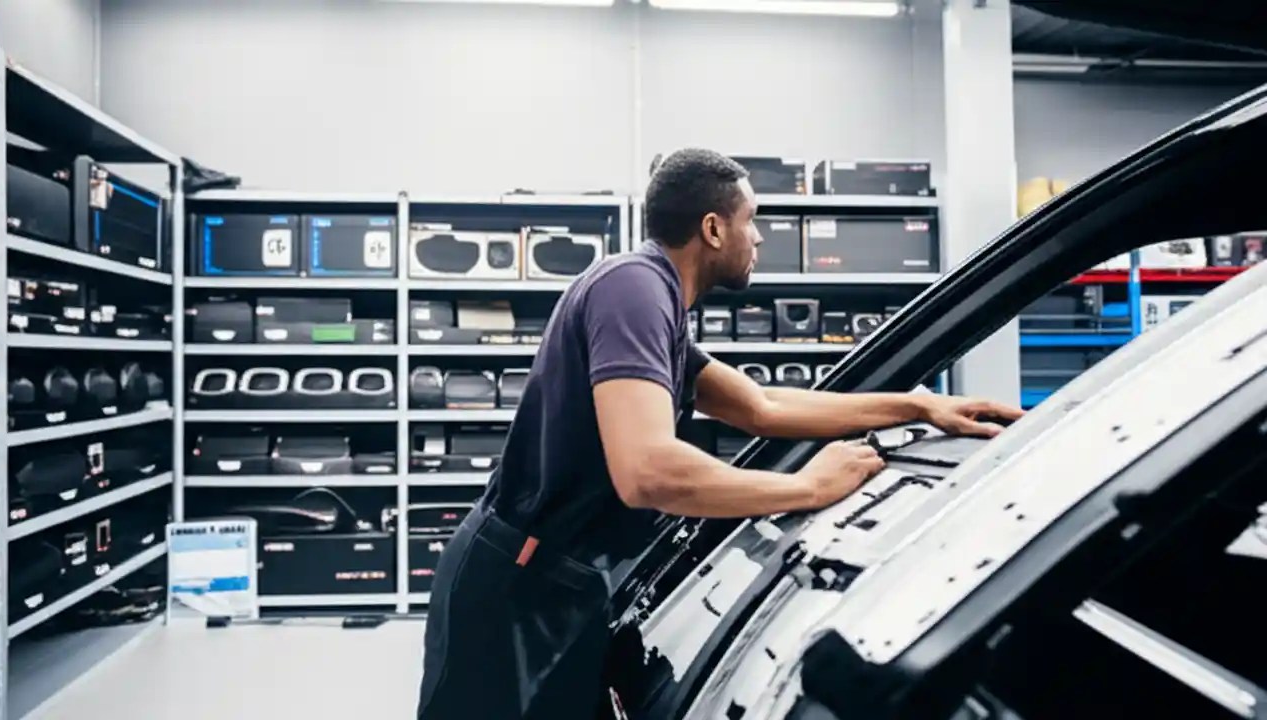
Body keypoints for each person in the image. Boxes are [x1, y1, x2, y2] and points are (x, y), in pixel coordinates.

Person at [417, 148, 1024, 719]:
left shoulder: (654, 301)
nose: (758, 237)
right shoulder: (634, 290)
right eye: (751, 220)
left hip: (557, 583)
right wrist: (807, 489)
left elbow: (762, 407)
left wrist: (919, 409)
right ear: (713, 229)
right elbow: (648, 472)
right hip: (515, 594)